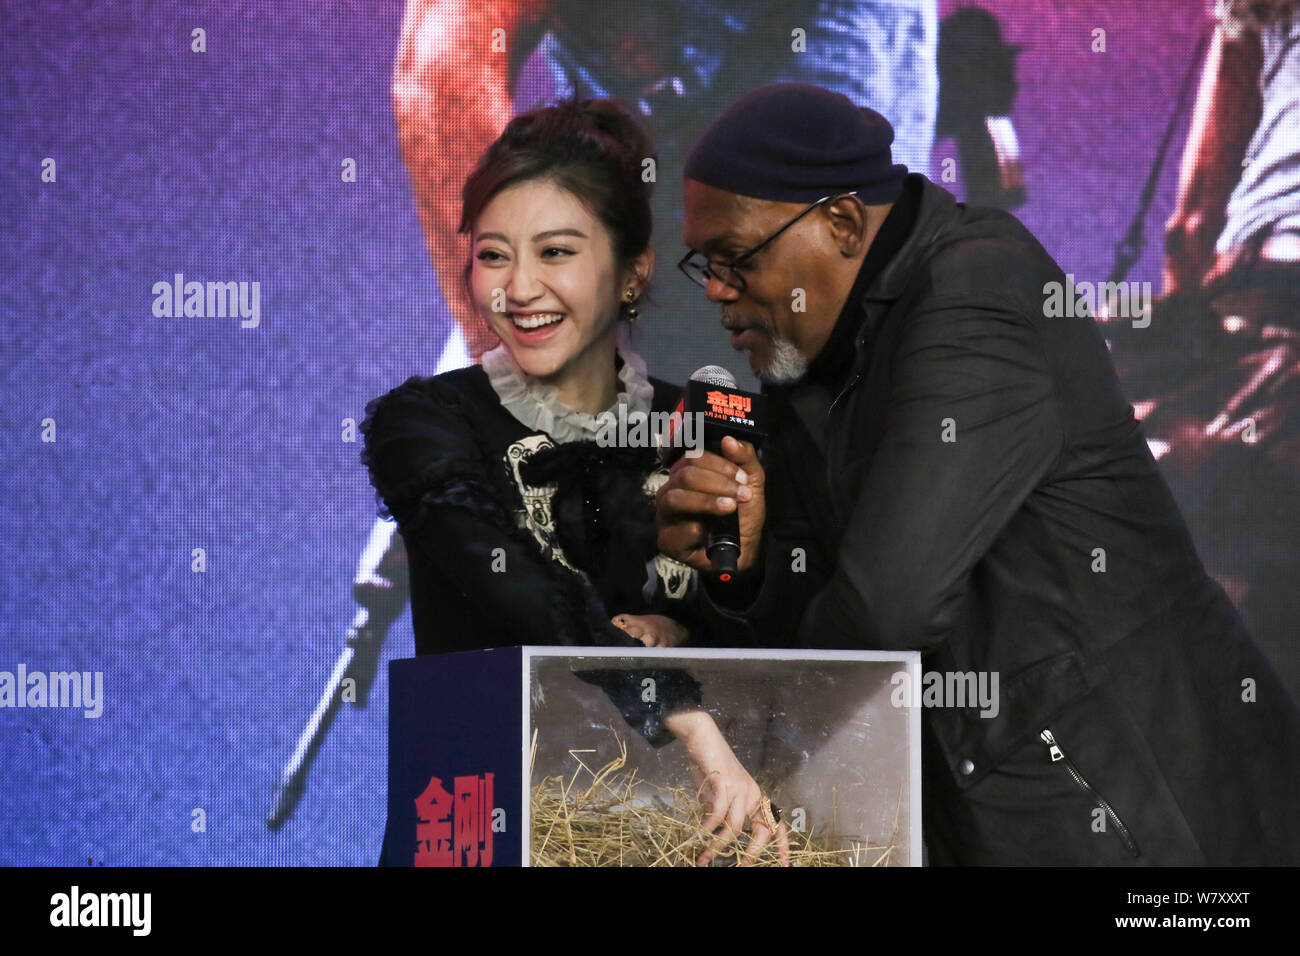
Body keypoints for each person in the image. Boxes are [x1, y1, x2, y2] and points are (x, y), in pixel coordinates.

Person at [655, 81, 1300, 864]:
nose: (715, 290)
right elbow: (835, 618)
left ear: (843, 223)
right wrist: (753, 565)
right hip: (1019, 819)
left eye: (736, 258)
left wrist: (759, 728)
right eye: (704, 264)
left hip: (1149, 817)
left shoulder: (975, 292)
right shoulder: (811, 359)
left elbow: (884, 617)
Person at [362, 96, 789, 865]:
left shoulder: (712, 423)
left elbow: (792, 630)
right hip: (480, 826)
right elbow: (513, 587)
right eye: (494, 255)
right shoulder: (426, 422)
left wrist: (700, 618)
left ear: (633, 271)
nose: (519, 287)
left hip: (686, 835)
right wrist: (680, 711)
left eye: (555, 252)